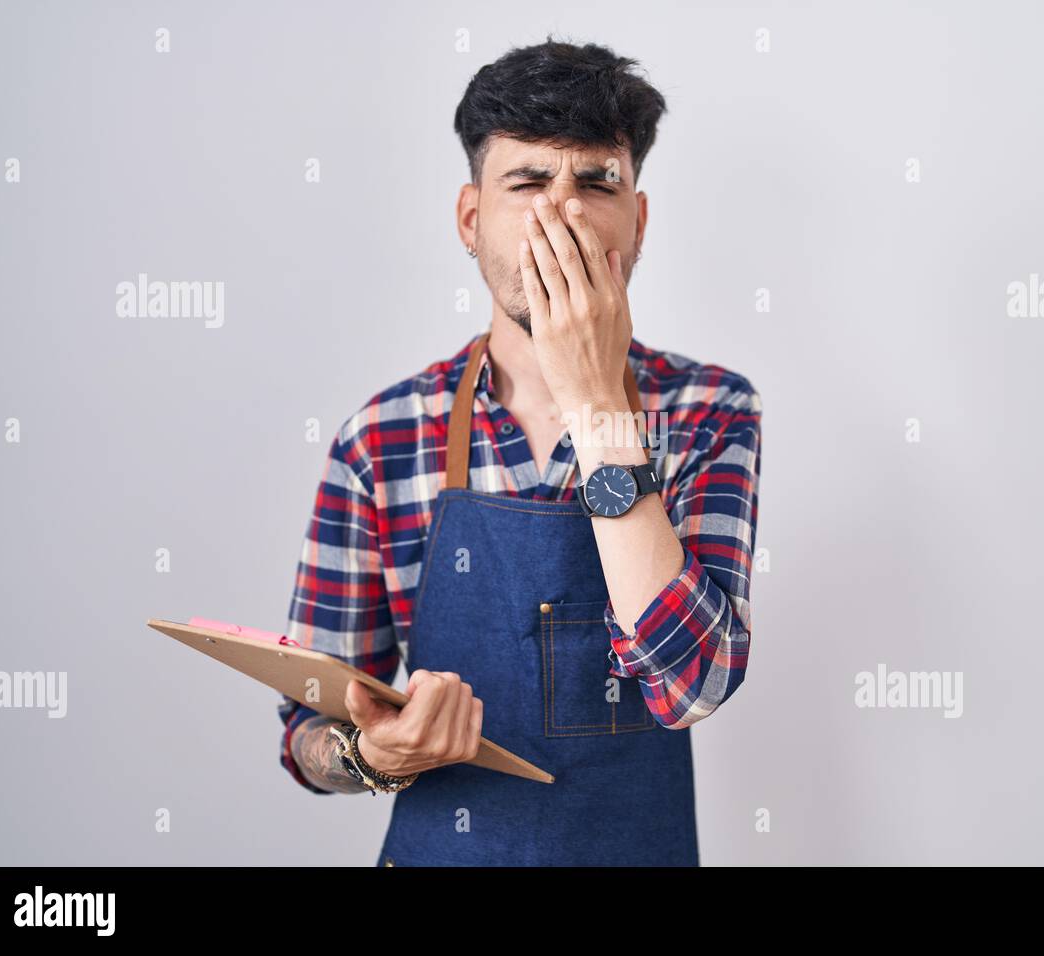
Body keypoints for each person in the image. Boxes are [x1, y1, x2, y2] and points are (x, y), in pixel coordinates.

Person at [277, 36, 762, 866]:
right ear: (471, 219)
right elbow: (308, 732)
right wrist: (368, 755)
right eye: (529, 182)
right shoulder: (381, 438)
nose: (561, 213)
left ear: (637, 222)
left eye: (596, 182)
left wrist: (599, 403)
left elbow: (694, 684)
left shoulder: (708, 411)